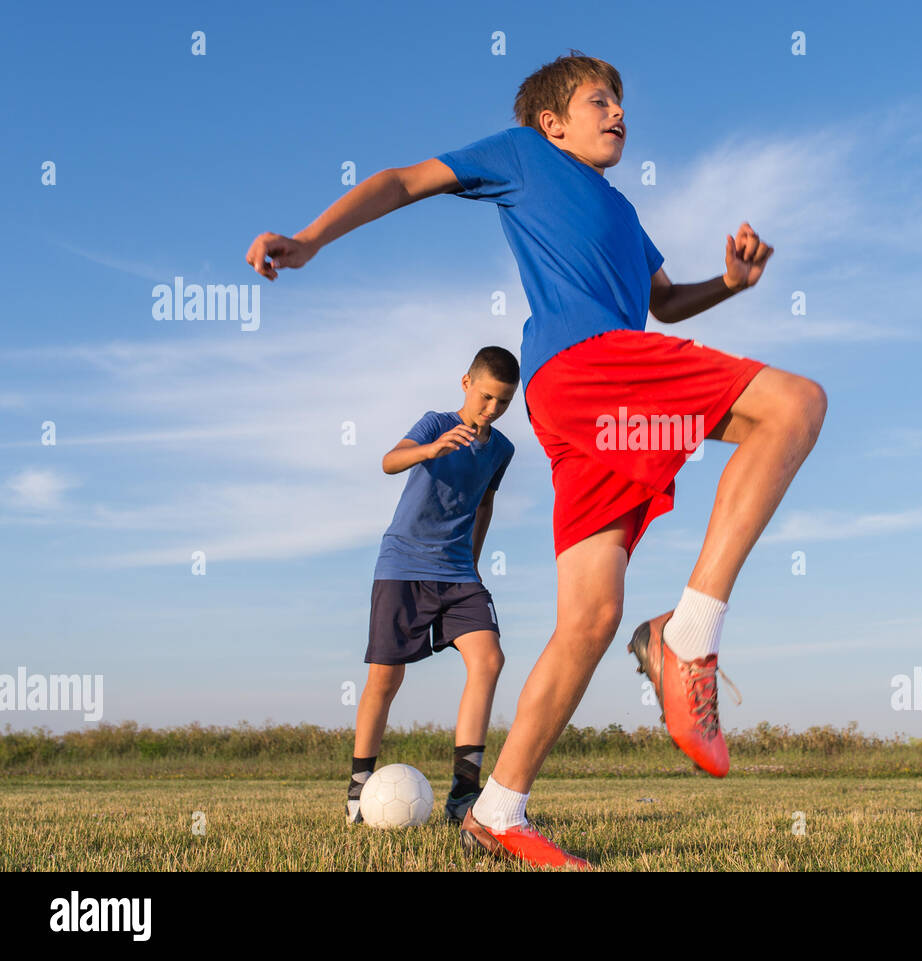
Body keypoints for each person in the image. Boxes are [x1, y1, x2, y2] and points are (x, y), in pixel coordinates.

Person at [246, 52, 826, 869]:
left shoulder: (624, 215)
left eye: (623, 102)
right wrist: (309, 239)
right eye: (600, 101)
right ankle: (687, 637)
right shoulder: (524, 157)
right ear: (552, 123)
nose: (618, 112)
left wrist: (729, 283)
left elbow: (662, 303)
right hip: (587, 366)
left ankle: (499, 808)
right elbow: (402, 179)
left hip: (589, 411)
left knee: (589, 618)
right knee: (795, 404)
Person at [347, 347, 517, 827]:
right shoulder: (434, 421)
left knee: (489, 660)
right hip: (402, 565)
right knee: (386, 679)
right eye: (486, 397)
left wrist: (476, 562)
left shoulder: (502, 449)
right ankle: (358, 790)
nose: (491, 410)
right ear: (466, 382)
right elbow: (388, 461)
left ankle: (464, 795)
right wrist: (432, 448)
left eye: (503, 403)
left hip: (460, 572)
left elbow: (484, 505)